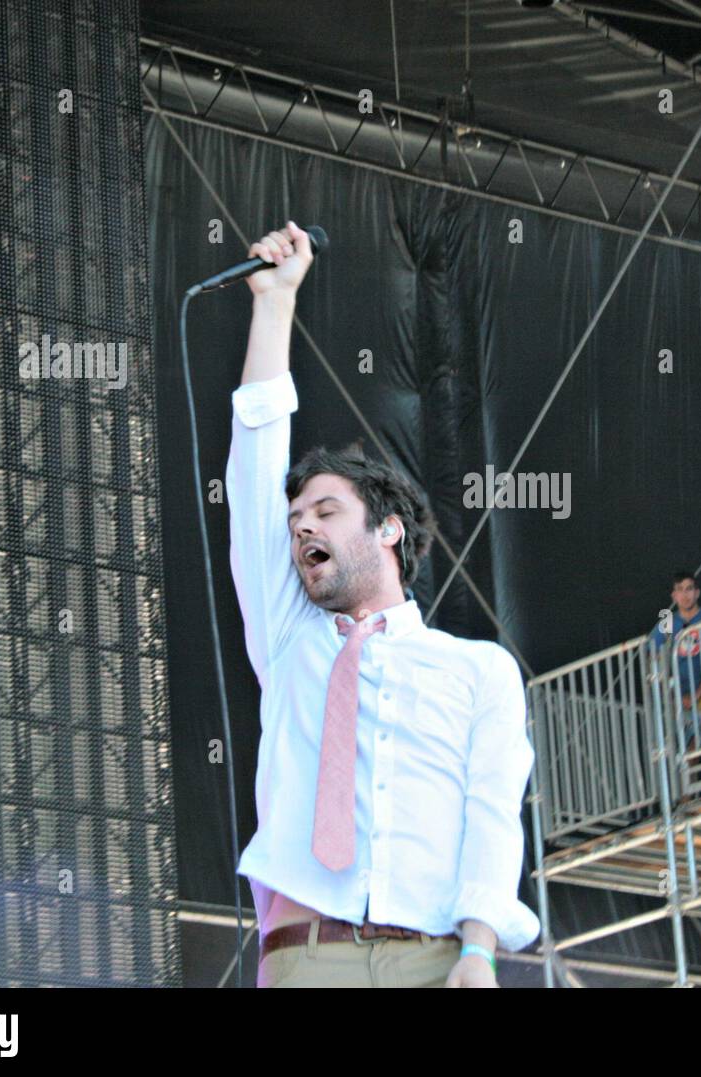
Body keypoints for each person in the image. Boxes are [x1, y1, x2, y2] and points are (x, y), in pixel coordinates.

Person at [227, 222, 537, 988]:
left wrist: (478, 951)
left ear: (389, 529)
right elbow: (254, 458)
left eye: (326, 510)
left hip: (434, 954)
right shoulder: (290, 634)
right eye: (296, 518)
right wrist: (274, 304)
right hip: (306, 954)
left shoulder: (480, 670)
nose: (303, 525)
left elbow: (492, 813)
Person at [648, 571, 701, 748]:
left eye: (689, 589)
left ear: (697, 592)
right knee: (687, 749)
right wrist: (671, 693)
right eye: (680, 590)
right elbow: (652, 657)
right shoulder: (667, 624)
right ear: (674, 595)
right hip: (680, 698)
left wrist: (697, 693)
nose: (685, 594)